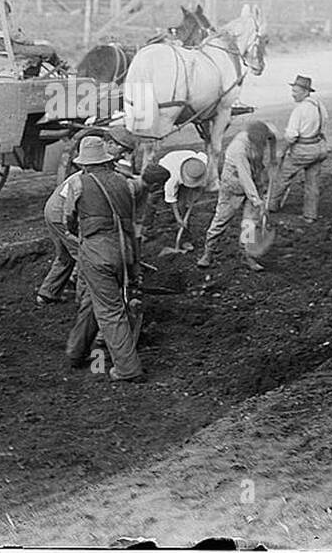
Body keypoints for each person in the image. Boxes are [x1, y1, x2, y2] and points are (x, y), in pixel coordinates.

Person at [62, 137, 166, 382]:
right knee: (94, 300)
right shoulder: (123, 182)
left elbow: (69, 221)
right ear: (106, 159)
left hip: (96, 252)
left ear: (84, 164)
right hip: (124, 250)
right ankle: (75, 352)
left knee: (110, 311)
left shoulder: (77, 184)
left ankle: (128, 369)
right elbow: (131, 218)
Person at [197, 121, 276, 273]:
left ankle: (247, 255)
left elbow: (273, 138)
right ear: (251, 139)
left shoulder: (266, 132)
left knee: (250, 223)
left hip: (255, 177)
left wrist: (273, 158)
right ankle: (208, 252)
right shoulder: (238, 149)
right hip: (234, 183)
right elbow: (244, 177)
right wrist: (257, 200)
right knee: (221, 220)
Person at [268, 75, 330, 222]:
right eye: (292, 90)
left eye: (295, 91)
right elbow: (325, 122)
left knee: (283, 177)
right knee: (312, 183)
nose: (293, 94)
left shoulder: (300, 110)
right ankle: (310, 215)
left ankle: (271, 206)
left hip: (303, 150)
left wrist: (282, 151)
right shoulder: (319, 105)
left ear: (305, 91)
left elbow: (291, 136)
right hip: (319, 148)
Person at [37, 167, 82, 306]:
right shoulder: (88, 179)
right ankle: (84, 300)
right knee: (85, 255)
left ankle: (47, 294)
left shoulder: (83, 173)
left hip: (52, 208)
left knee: (65, 255)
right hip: (60, 212)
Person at [155, 148, 213, 251]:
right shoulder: (171, 179)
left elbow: (201, 185)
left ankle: (186, 237)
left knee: (185, 204)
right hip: (167, 165)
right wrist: (178, 218)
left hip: (184, 162)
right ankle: (149, 229)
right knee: (178, 205)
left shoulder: (198, 165)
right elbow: (172, 199)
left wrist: (195, 197)